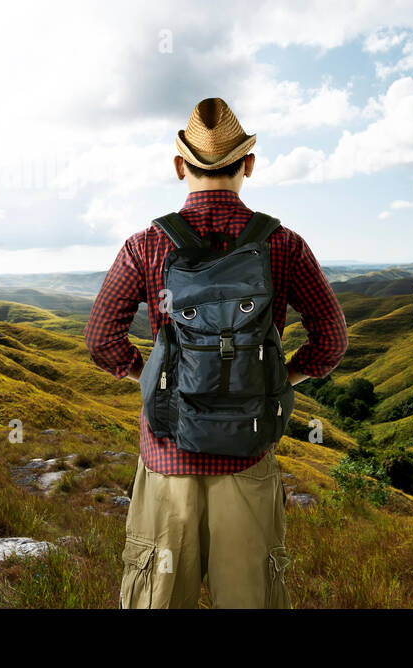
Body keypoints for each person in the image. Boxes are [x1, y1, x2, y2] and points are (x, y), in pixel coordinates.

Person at [85, 97, 347, 608]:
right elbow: (331, 341)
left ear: (179, 165)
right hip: (247, 459)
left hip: (167, 457)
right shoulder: (283, 244)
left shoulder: (146, 244)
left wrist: (153, 378)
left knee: (155, 598)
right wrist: (282, 379)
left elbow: (101, 338)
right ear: (248, 164)